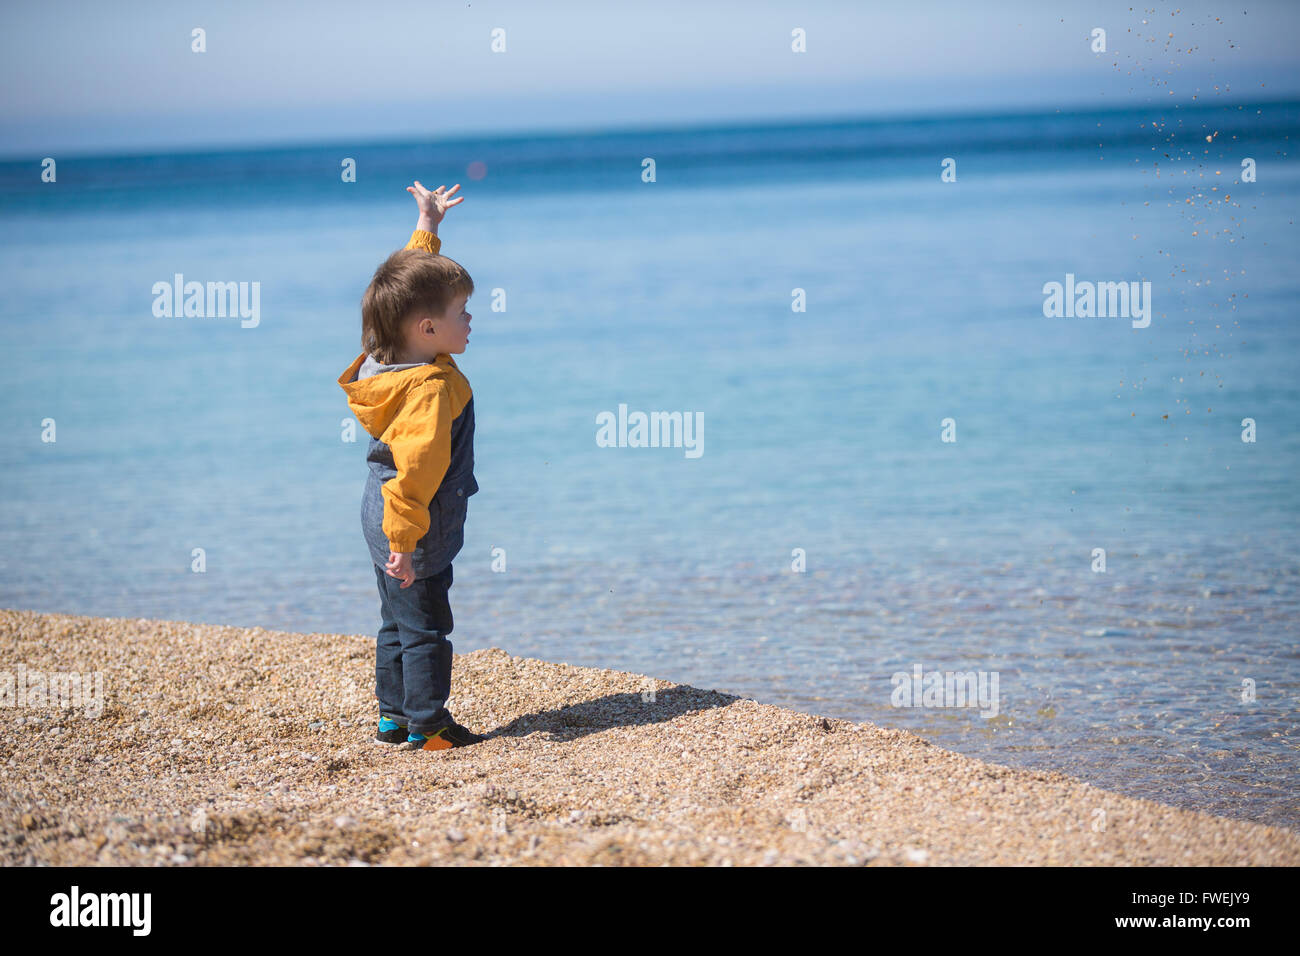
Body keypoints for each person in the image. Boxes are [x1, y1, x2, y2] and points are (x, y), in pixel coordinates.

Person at [337, 180, 484, 750]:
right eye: (462, 313)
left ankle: (392, 718)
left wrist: (428, 228)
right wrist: (406, 540)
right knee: (426, 625)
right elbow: (416, 471)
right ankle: (429, 726)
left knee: (395, 620)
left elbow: (405, 290)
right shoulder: (428, 391)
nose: (469, 321)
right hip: (413, 522)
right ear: (428, 329)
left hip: (380, 514)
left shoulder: (385, 356)